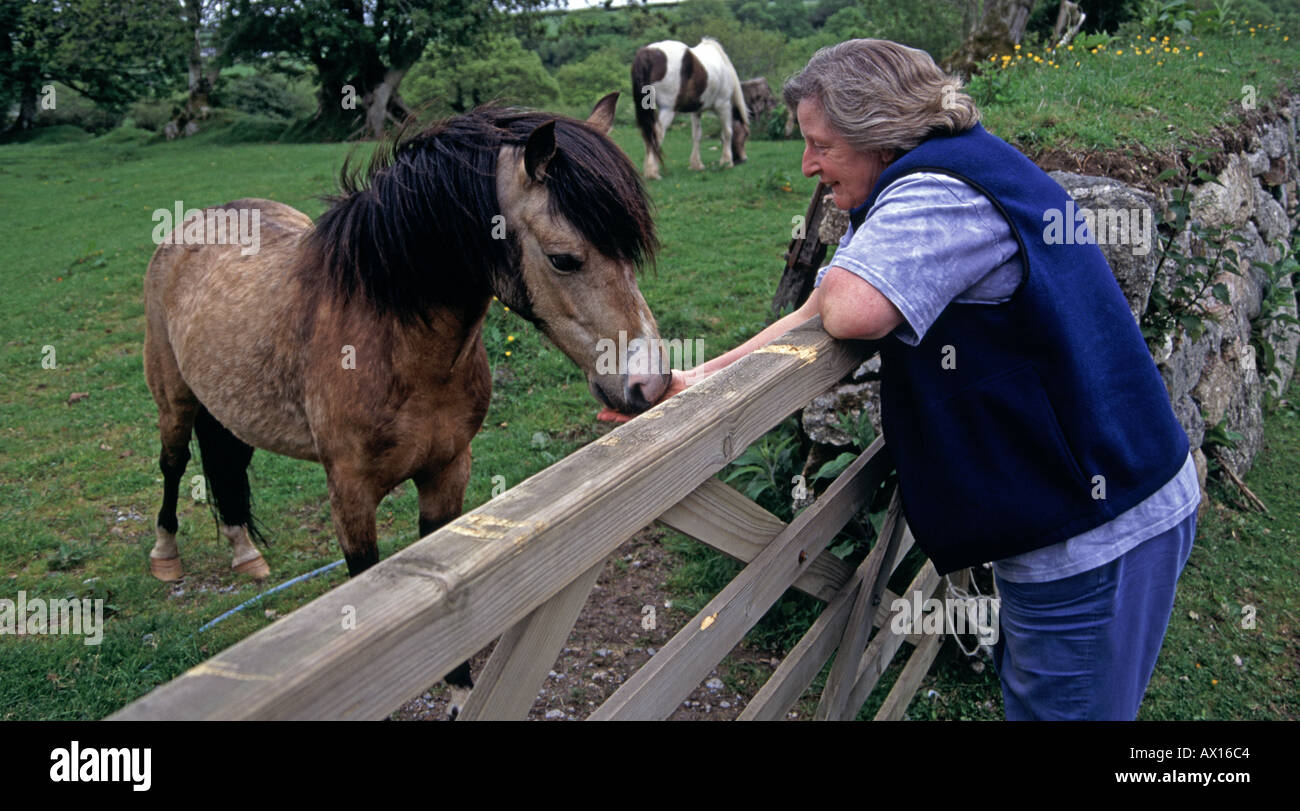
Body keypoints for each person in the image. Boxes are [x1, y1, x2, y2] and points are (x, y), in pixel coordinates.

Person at [600, 39, 1199, 721]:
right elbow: (813, 307)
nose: (806, 165)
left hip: (1096, 533)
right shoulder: (960, 165)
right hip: (1103, 500)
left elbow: (849, 307)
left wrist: (835, 283)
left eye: (821, 145)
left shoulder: (934, 194)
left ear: (879, 134)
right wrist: (696, 380)